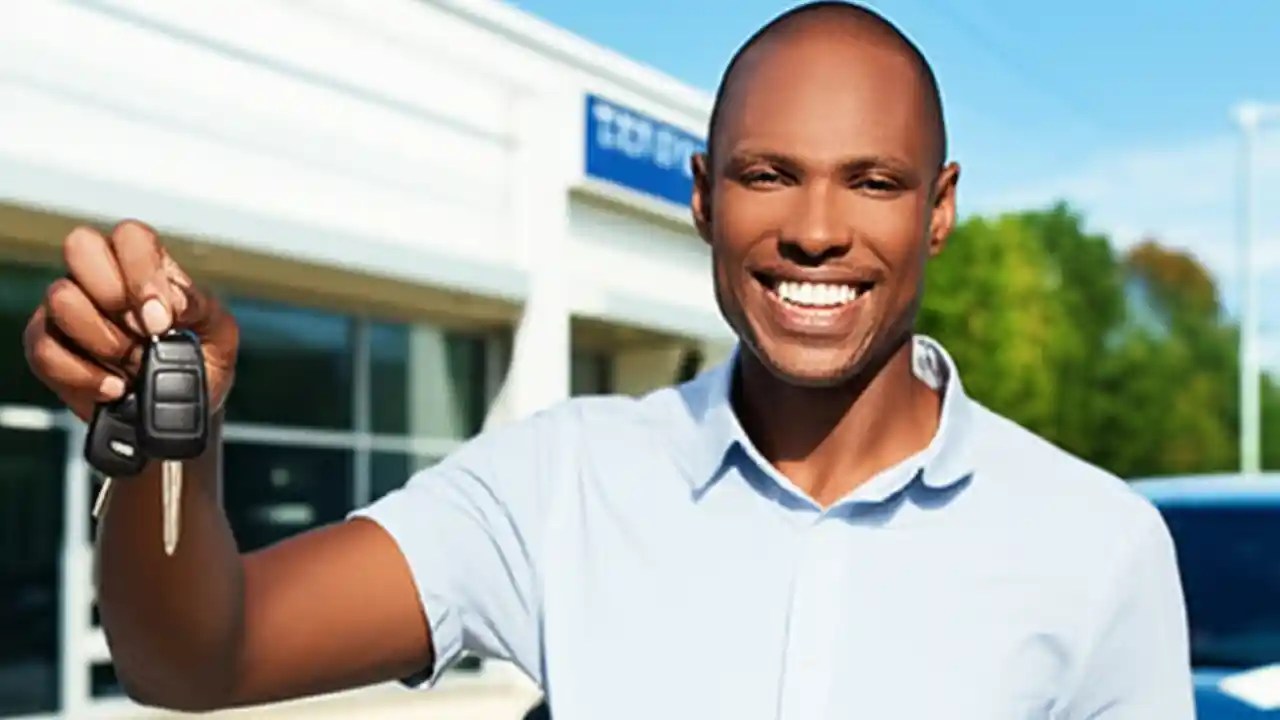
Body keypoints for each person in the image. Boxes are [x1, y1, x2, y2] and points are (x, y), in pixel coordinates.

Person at [22, 2, 1194, 718]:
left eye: (872, 182)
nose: (815, 230)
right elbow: (198, 657)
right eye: (767, 175)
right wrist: (167, 440)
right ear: (702, 197)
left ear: (936, 209)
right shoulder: (562, 481)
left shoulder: (1095, 546)